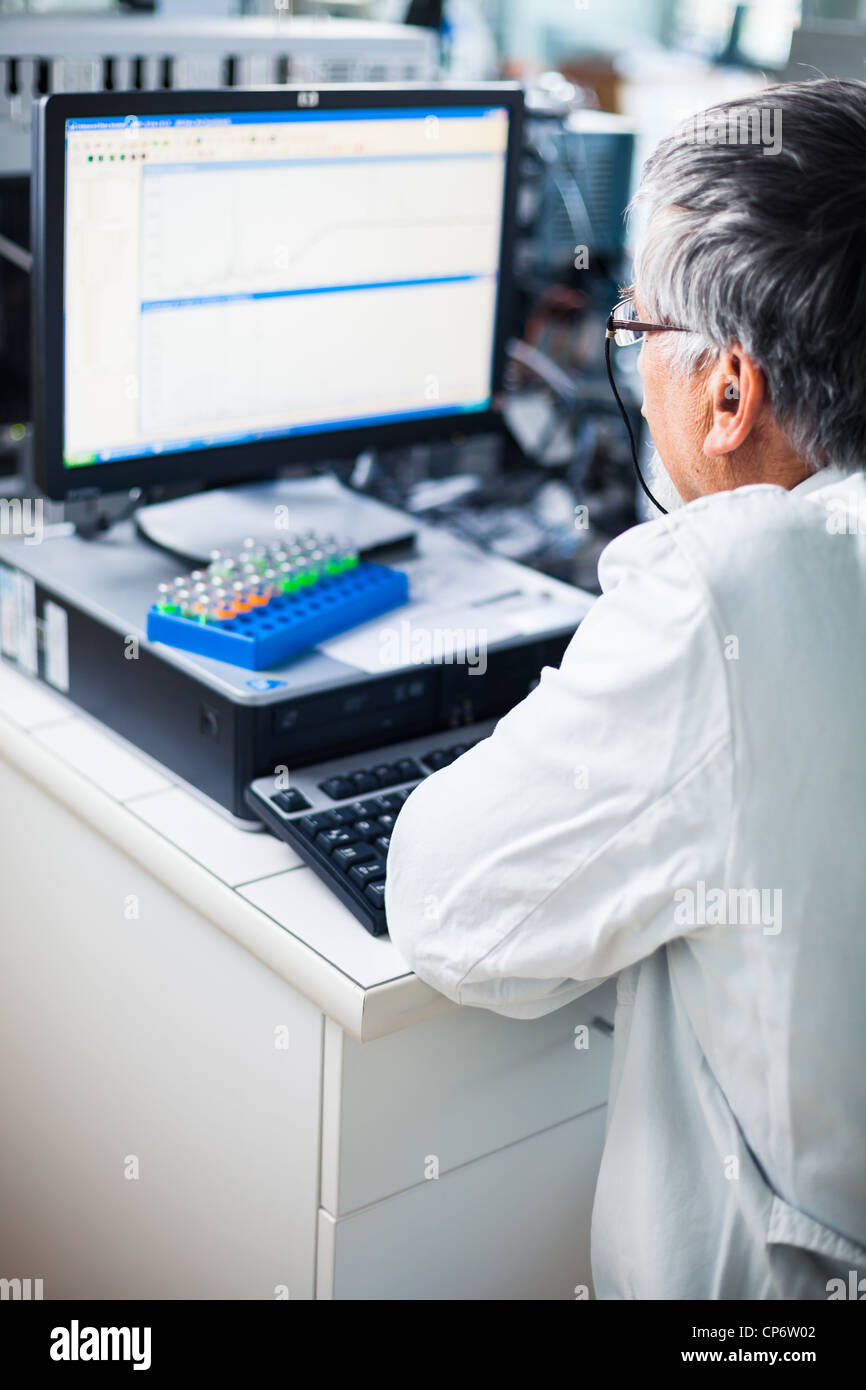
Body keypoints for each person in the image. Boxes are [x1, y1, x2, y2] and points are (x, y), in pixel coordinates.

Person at [385, 78, 866, 1300]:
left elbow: (447, 906)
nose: (625, 358)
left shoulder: (730, 588)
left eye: (636, 330)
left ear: (725, 395)